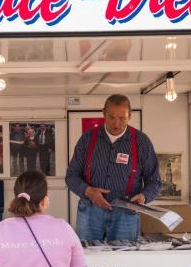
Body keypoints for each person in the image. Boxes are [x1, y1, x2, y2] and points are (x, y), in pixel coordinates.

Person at [65, 94, 162, 241]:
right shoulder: (88, 139)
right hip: (90, 212)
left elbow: (155, 182)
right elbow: (71, 176)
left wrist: (143, 196)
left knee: (125, 261)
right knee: (88, 259)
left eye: (122, 118)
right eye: (111, 117)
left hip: (126, 215)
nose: (116, 123)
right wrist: (88, 191)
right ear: (103, 113)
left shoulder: (141, 142)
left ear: (130, 116)